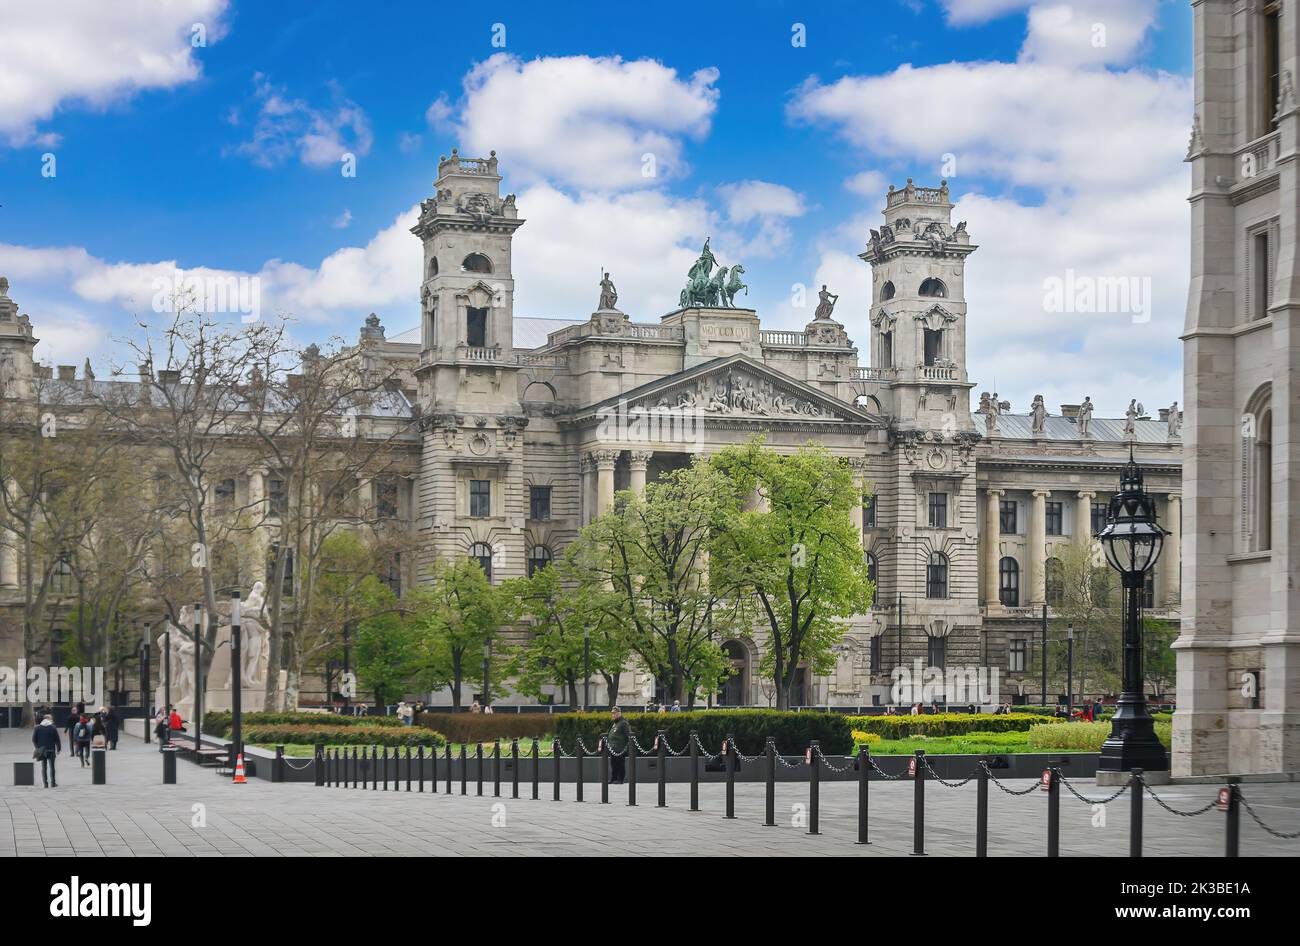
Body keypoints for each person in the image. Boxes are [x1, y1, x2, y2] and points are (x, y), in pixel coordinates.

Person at [33, 714, 61, 788]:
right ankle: (53, 783)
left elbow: (34, 739)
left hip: (42, 750)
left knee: (44, 767)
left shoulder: (37, 728)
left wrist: (37, 747)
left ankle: (45, 784)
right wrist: (58, 749)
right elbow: (57, 739)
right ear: (49, 719)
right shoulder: (53, 727)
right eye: (51, 719)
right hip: (51, 750)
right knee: (52, 767)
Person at [606, 707, 630, 785]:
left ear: (619, 713)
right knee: (613, 764)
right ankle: (613, 778)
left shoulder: (623, 723)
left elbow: (628, 735)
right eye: (612, 713)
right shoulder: (615, 723)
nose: (613, 715)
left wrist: (627, 746)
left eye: (615, 713)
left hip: (620, 748)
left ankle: (620, 779)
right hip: (613, 748)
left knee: (620, 764)